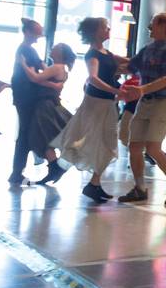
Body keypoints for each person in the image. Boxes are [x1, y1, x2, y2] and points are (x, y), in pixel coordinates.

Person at [53, 17, 132, 202]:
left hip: (106, 103)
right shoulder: (93, 55)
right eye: (105, 27)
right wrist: (116, 90)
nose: (108, 30)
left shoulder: (106, 53)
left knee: (105, 143)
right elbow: (94, 78)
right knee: (90, 140)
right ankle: (63, 167)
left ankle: (94, 183)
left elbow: (125, 65)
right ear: (96, 31)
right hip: (96, 103)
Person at [118, 12, 166, 205]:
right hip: (145, 101)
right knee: (134, 145)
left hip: (163, 102)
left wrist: (141, 89)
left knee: (153, 147)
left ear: (164, 26)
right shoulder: (147, 49)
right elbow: (129, 66)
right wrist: (101, 58)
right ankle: (139, 188)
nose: (149, 27)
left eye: (153, 23)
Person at [18, 43, 75, 184]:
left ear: (60, 53)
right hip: (49, 105)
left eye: (55, 48)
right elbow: (46, 78)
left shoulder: (57, 68)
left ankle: (55, 167)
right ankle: (54, 167)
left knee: (41, 136)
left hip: (45, 106)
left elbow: (35, 78)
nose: (52, 48)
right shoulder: (59, 68)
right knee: (44, 137)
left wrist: (23, 65)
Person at [9, 18, 48, 187]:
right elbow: (40, 71)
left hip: (22, 96)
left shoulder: (26, 50)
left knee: (25, 132)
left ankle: (18, 171)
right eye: (37, 31)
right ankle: (17, 171)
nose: (40, 34)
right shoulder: (27, 50)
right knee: (25, 133)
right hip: (27, 97)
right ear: (28, 32)